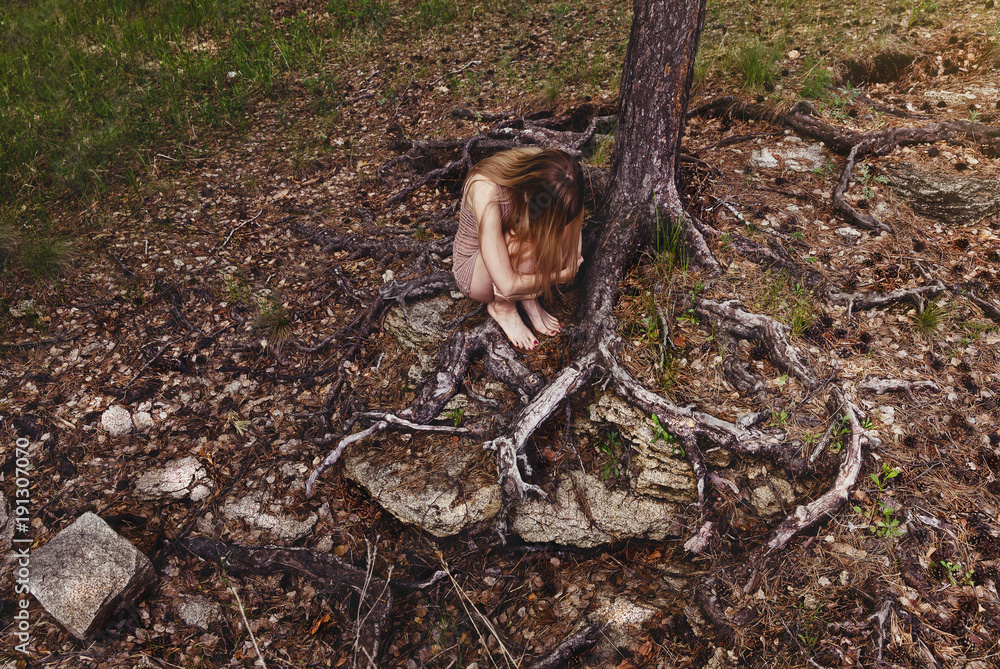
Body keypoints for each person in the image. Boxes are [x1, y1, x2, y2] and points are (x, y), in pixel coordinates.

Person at [452, 147, 585, 350]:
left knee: (548, 227)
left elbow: (572, 229)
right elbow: (506, 285)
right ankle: (503, 308)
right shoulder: (486, 191)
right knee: (522, 239)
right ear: (530, 194)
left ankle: (528, 298)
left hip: (512, 259)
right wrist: (561, 275)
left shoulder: (551, 170)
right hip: (477, 273)